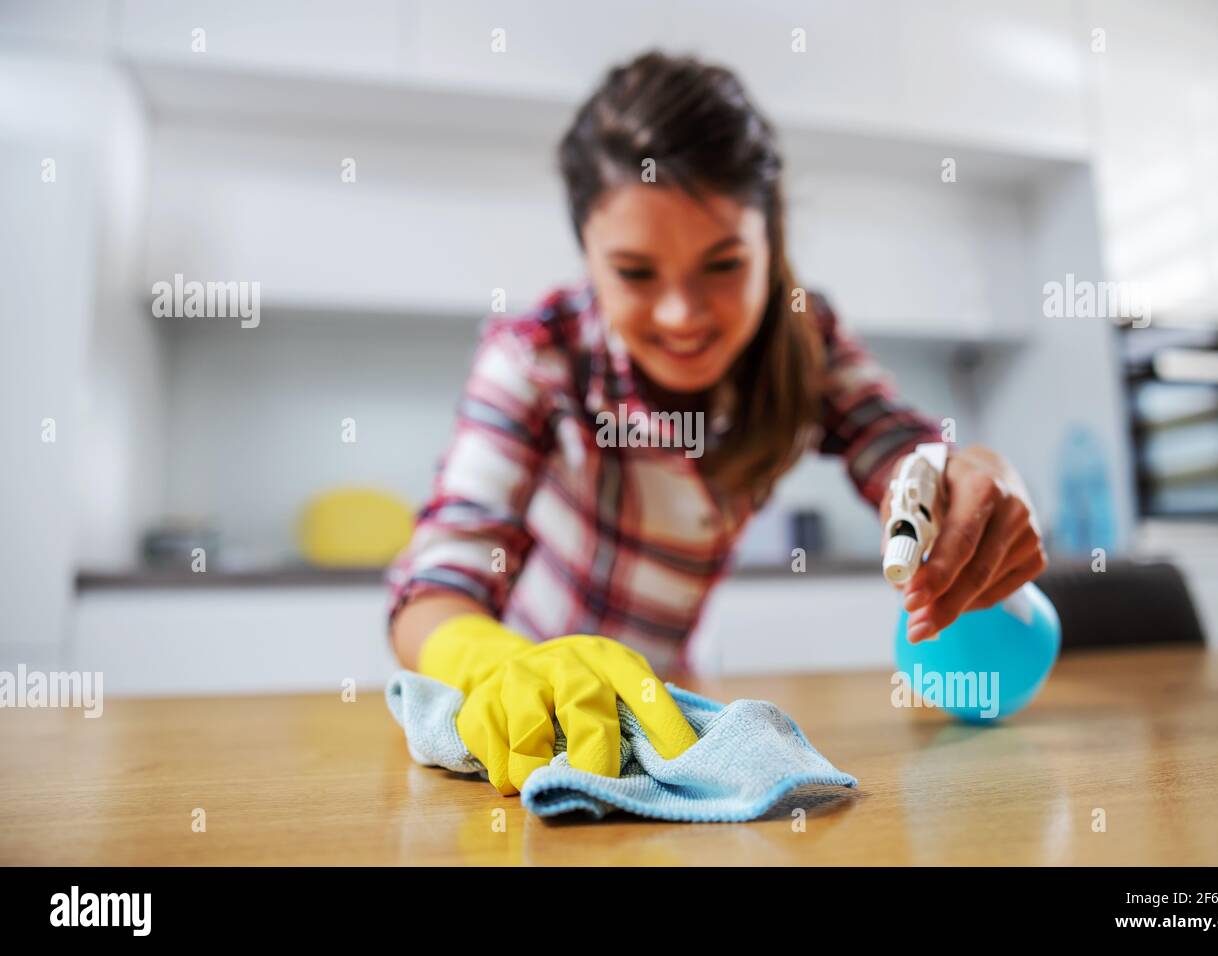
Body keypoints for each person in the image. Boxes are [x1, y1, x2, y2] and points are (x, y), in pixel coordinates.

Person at [387, 51, 1046, 795]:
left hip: (672, 725)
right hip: (530, 729)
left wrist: (971, 473)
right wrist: (499, 666)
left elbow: (899, 449)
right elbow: (434, 583)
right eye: (635, 274)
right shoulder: (538, 357)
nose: (682, 316)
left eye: (724, 265)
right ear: (589, 260)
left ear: (772, 243)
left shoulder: (807, 338)